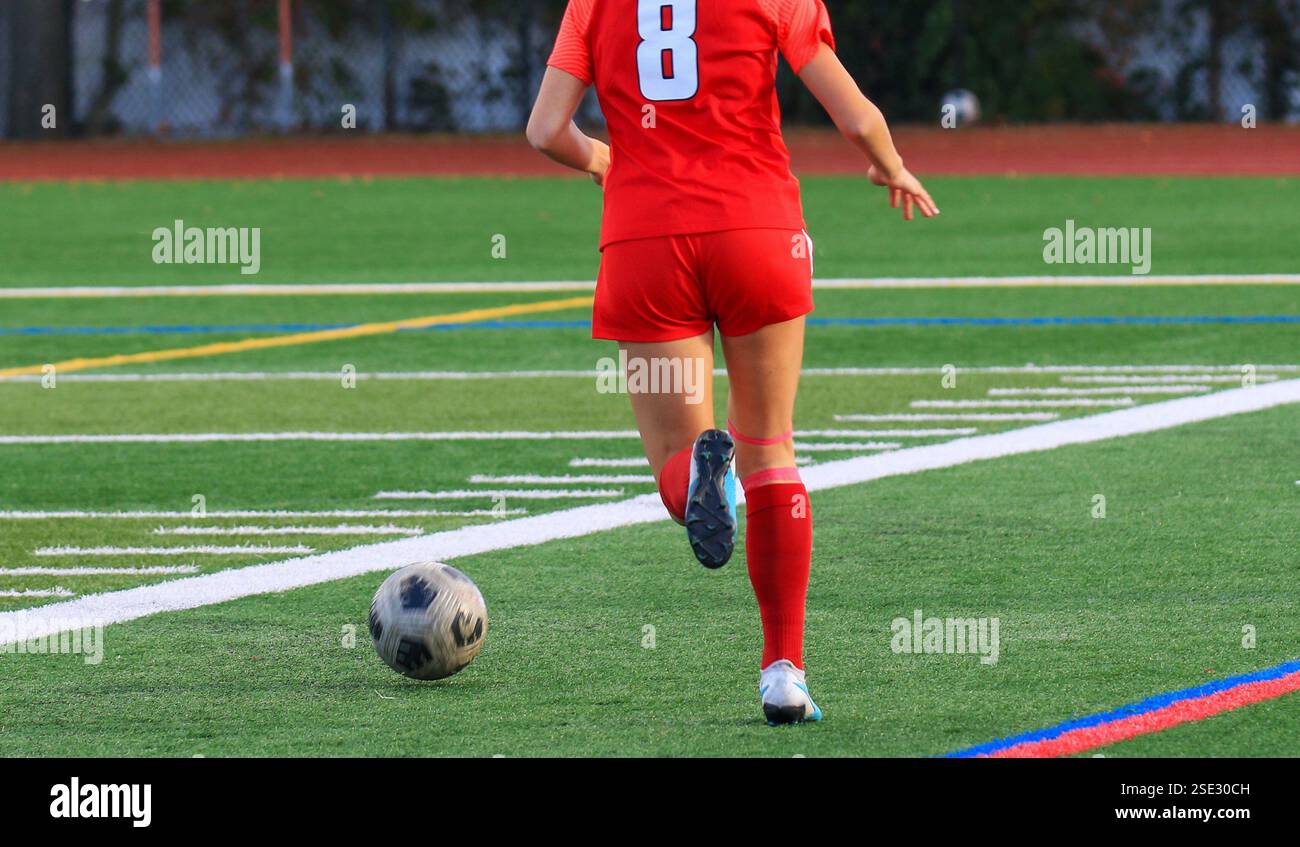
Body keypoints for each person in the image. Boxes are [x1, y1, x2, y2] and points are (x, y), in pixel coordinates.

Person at [527, 0, 938, 725]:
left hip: (646, 240)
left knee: (677, 458)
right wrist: (891, 167)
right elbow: (856, 113)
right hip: (759, 232)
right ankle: (784, 671)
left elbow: (545, 130)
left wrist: (603, 160)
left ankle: (696, 474)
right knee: (772, 446)